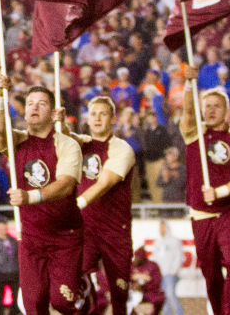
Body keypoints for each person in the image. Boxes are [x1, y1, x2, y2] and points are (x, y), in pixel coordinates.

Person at [0, 76, 85, 315]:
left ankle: (83, 289)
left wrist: (29, 197)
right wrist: (0, 97)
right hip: (31, 238)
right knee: (33, 304)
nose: (34, 107)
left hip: (65, 237)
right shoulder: (17, 141)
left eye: (41, 103)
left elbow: (65, 185)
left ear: (53, 112)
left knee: (62, 302)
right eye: (30, 103)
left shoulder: (67, 144)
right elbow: (0, 131)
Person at [179, 68, 230, 315]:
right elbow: (188, 112)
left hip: (227, 212)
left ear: (227, 110)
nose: (211, 110)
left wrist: (220, 192)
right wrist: (189, 84)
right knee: (211, 275)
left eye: (216, 106)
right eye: (207, 106)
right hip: (200, 215)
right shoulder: (194, 134)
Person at [58, 95, 135, 315]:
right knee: (77, 280)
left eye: (103, 114)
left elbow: (104, 183)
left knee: (119, 293)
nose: (98, 118)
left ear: (113, 119)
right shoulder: (82, 144)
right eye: (93, 114)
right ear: (88, 119)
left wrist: (76, 204)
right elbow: (65, 138)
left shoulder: (122, 149)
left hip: (116, 231)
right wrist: (60, 122)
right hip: (86, 229)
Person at [150, 221, 184, 315]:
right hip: (159, 274)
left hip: (170, 273)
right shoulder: (157, 242)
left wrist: (173, 270)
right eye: (160, 228)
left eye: (163, 227)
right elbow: (155, 257)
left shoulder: (174, 241)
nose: (161, 230)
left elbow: (179, 256)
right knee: (162, 297)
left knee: (170, 295)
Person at [129, 247, 164, 315]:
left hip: (151, 295)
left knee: (150, 307)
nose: (136, 259)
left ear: (143, 258)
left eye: (138, 258)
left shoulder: (153, 266)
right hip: (133, 295)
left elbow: (156, 283)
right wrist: (135, 277)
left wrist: (144, 283)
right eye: (135, 257)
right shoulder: (132, 265)